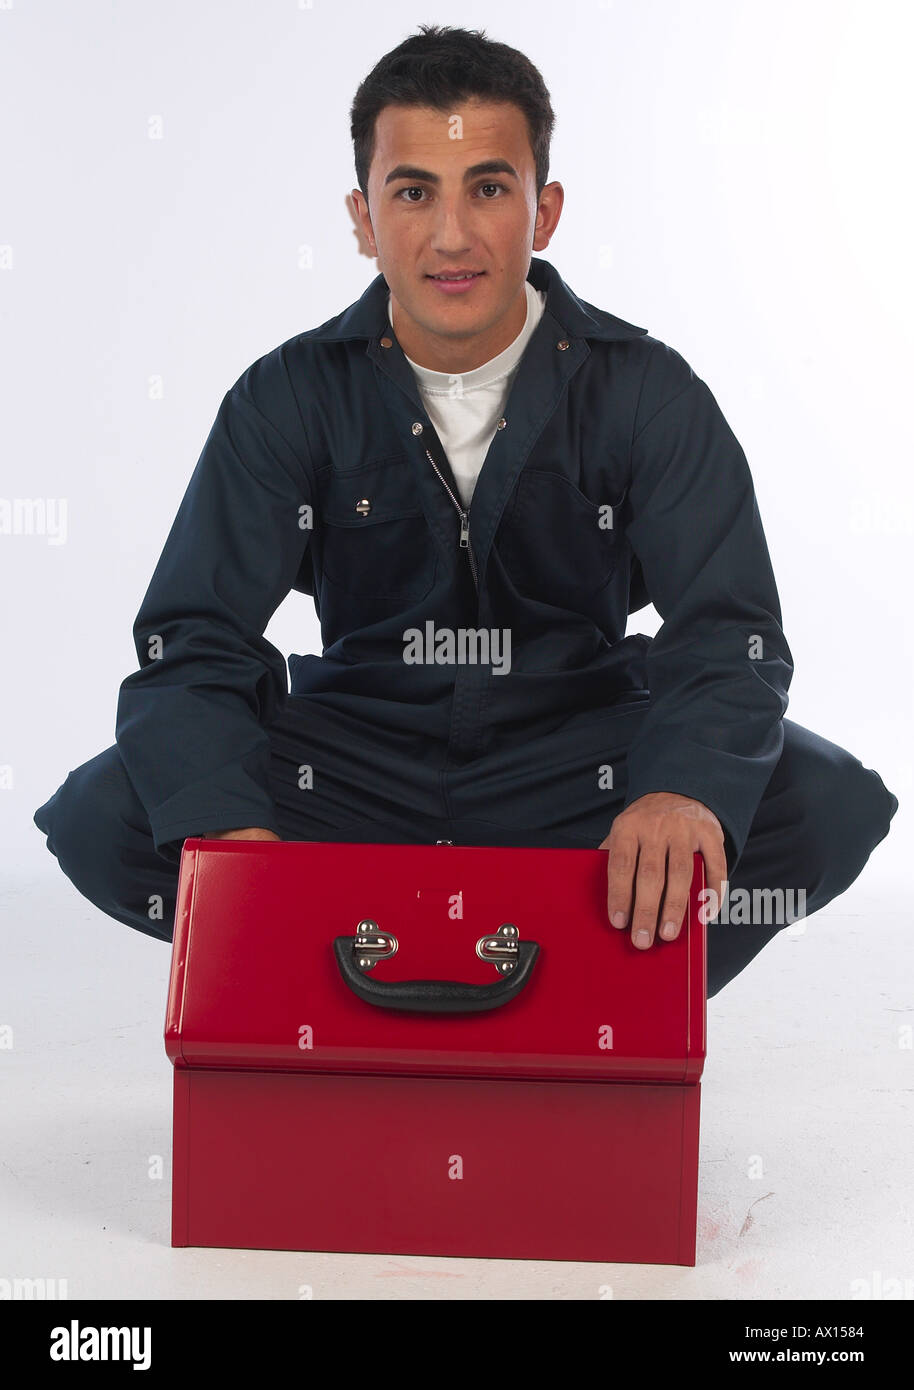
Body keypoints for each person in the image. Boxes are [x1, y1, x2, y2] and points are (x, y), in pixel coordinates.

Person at [33, 24, 897, 998]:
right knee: (109, 813)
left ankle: (581, 1007)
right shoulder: (286, 397)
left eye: (487, 187)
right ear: (362, 218)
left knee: (818, 801)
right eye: (413, 192)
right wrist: (228, 827)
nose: (450, 235)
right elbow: (192, 639)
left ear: (545, 209)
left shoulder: (645, 393)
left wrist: (678, 788)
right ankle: (361, 996)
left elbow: (726, 633)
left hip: (577, 762)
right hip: (357, 764)